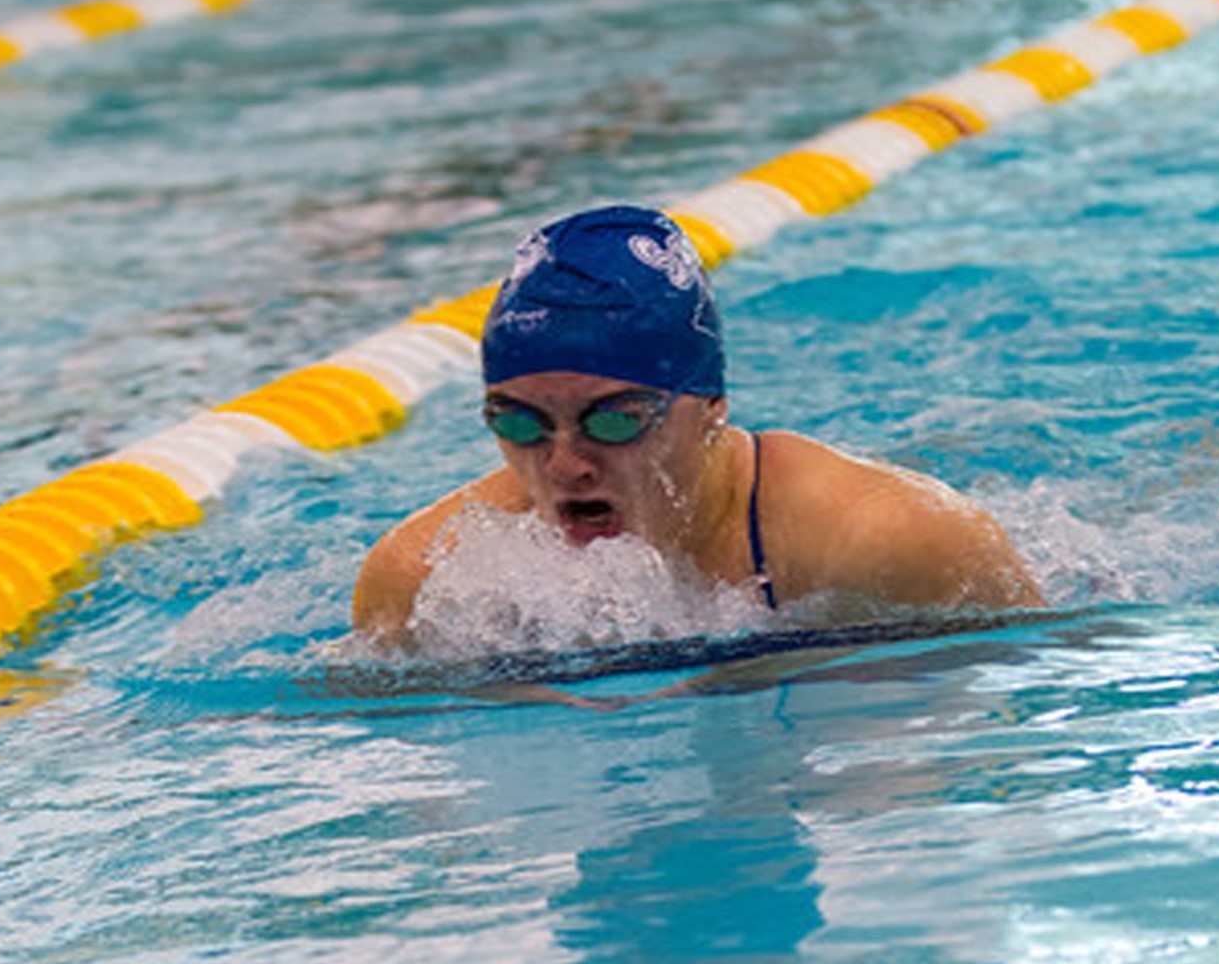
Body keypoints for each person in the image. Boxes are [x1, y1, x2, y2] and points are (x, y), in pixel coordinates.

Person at [353, 204, 1043, 653]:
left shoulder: (889, 538)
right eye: (519, 422)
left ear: (711, 407)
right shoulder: (420, 578)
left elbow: (1037, 695)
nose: (563, 464)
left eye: (615, 419)